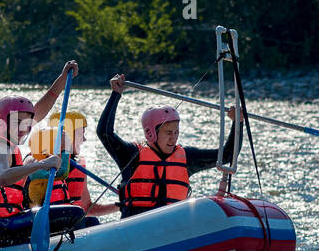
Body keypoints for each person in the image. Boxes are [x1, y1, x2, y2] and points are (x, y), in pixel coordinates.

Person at [99, 74, 236, 218]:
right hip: (136, 226)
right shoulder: (131, 155)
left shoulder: (187, 157)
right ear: (151, 133)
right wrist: (116, 94)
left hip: (172, 228)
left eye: (177, 132)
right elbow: (104, 132)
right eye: (169, 132)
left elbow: (227, 155)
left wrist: (237, 123)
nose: (173, 137)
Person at [0, 61, 76, 221]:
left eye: (26, 123)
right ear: (2, 122)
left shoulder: (6, 139)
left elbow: (39, 112)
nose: (23, 128)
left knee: (84, 219)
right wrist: (43, 164)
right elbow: (2, 178)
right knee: (73, 214)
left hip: (1, 223)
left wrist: (62, 80)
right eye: (17, 122)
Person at [26, 110, 119, 218]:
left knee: (91, 221)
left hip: (71, 220)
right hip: (44, 221)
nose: (84, 139)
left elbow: (87, 208)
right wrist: (65, 149)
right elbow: (61, 173)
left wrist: (121, 205)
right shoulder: (33, 160)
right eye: (81, 134)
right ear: (67, 135)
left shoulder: (78, 166)